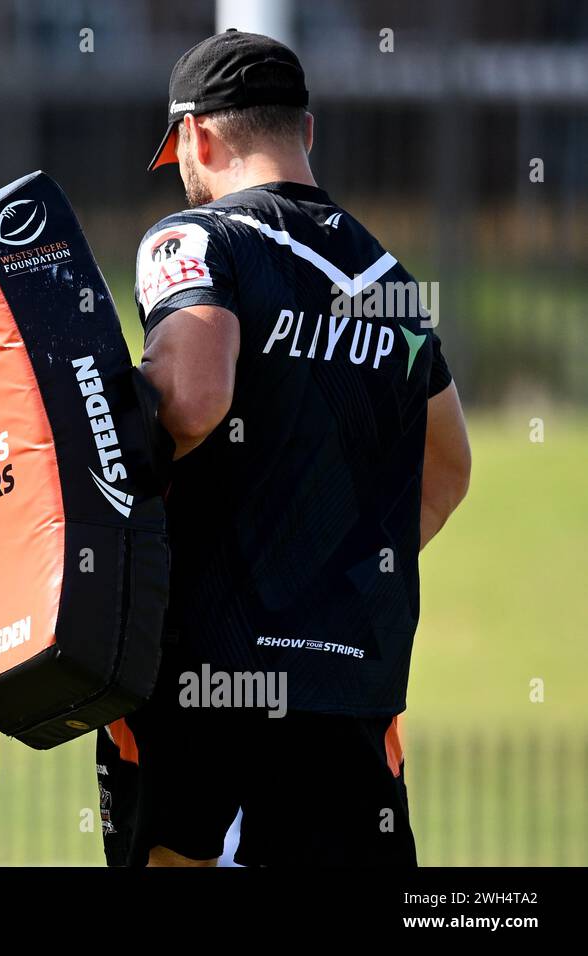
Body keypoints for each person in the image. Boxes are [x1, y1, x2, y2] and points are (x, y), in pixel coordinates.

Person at [96, 29, 471, 867]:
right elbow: (449, 470)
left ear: (194, 134)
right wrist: (325, 567)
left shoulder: (193, 240)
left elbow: (191, 400)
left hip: (211, 690)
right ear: (308, 130)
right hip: (353, 697)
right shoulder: (390, 282)